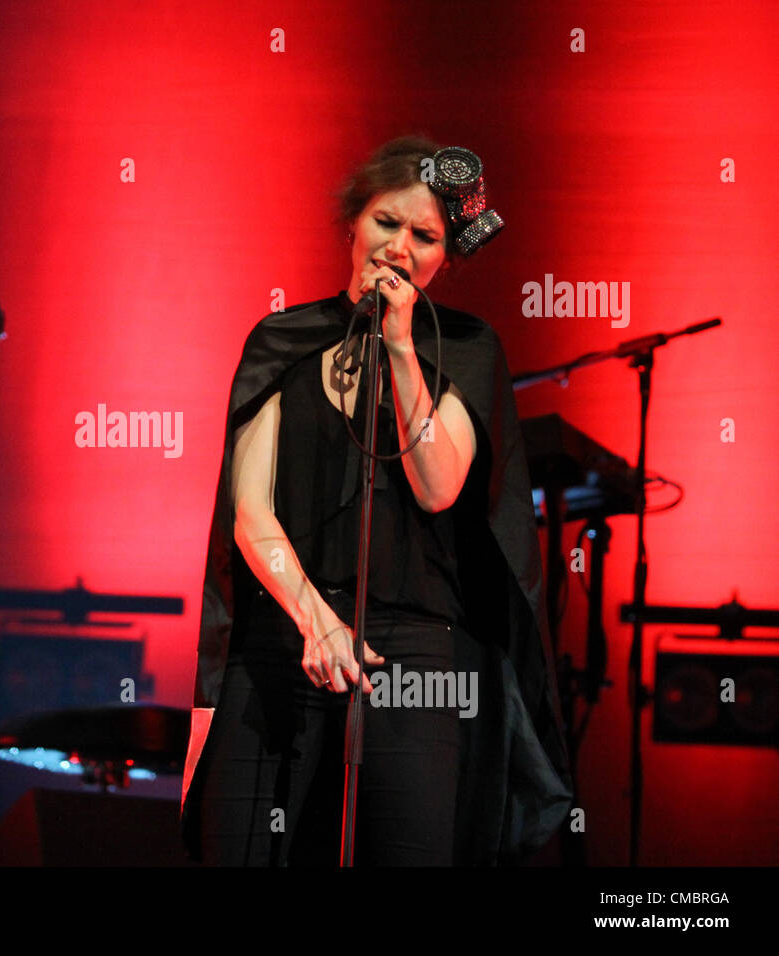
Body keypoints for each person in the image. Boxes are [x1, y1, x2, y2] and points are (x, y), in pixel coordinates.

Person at [180, 136, 572, 866]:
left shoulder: (467, 348)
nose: (399, 246)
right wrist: (316, 622)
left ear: (445, 260)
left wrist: (400, 349)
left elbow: (436, 485)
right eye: (387, 223)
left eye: (424, 236)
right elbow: (250, 512)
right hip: (284, 640)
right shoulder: (282, 339)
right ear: (351, 227)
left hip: (417, 654)